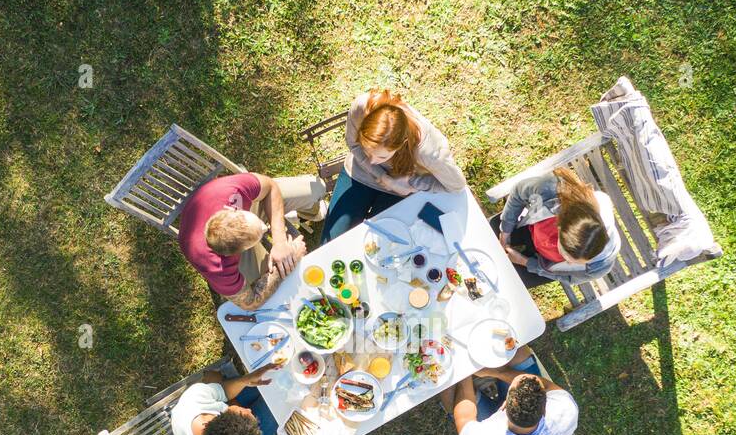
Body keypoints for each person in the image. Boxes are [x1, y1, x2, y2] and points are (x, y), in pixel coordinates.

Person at [320, 89, 467, 245]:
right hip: (359, 175)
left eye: (382, 157)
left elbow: (456, 185)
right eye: (368, 151)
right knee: (330, 245)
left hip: (397, 190)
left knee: (379, 246)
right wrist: (383, 177)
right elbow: (353, 145)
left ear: (401, 145)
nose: (372, 161)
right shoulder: (362, 108)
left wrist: (410, 184)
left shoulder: (428, 152)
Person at [177, 172, 326, 310]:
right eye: (262, 231)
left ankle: (304, 215)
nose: (264, 226)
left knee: (316, 187)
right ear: (241, 251)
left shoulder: (230, 192)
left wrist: (280, 241)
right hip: (218, 245)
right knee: (265, 282)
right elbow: (250, 302)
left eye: (260, 224)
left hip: (238, 203)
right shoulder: (218, 268)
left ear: (234, 211)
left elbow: (270, 186)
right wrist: (289, 261)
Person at [441, 347, 578, 435]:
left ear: (504, 405)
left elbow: (464, 417)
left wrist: (465, 369)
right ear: (545, 407)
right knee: (518, 351)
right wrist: (498, 372)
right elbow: (545, 385)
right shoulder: (566, 409)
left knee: (450, 389)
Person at [490, 168, 621, 289]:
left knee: (507, 285)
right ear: (559, 228)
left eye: (575, 262)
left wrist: (526, 263)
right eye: (566, 256)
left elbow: (566, 276)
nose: (569, 264)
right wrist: (505, 231)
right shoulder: (550, 191)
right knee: (488, 237)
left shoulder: (599, 267)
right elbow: (518, 193)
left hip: (542, 265)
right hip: (530, 230)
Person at [170, 363, 281, 435]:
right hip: (231, 410)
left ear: (218, 415)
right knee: (279, 404)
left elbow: (221, 387)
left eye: (243, 413)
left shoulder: (193, 401)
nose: (249, 410)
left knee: (268, 383)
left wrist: (245, 380)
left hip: (217, 404)